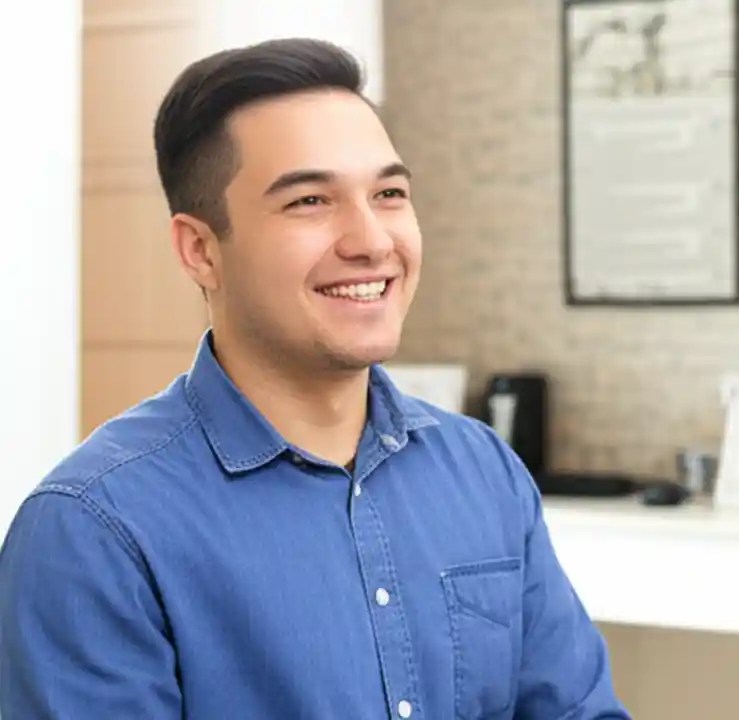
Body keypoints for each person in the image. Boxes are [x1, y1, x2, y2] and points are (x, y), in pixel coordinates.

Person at [0, 38, 628, 719]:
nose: (372, 241)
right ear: (200, 248)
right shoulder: (92, 529)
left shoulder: (482, 471)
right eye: (309, 201)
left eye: (389, 193)